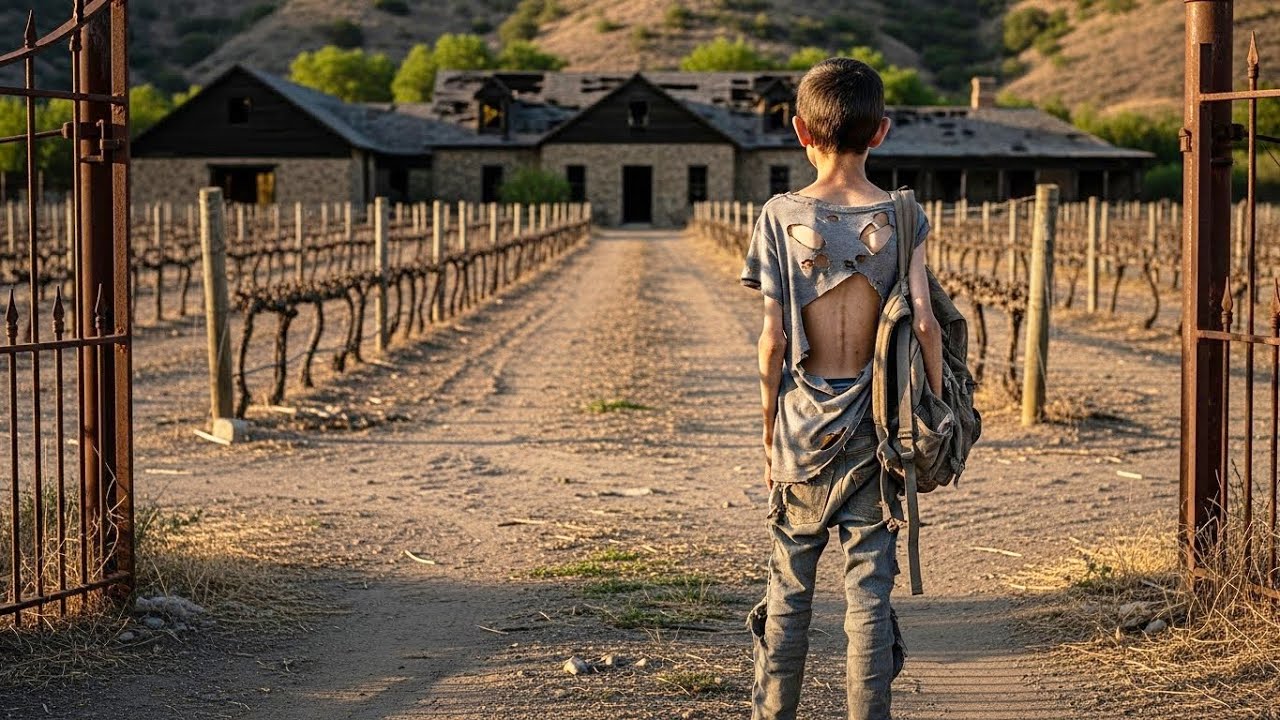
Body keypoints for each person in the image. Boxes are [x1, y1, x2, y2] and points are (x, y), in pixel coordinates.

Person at [740, 57, 944, 720]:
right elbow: (925, 319)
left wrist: (767, 431)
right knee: (868, 598)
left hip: (801, 429)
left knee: (790, 592)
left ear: (800, 129)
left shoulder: (778, 215)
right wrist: (933, 408)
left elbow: (772, 340)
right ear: (881, 132)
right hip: (879, 437)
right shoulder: (906, 215)